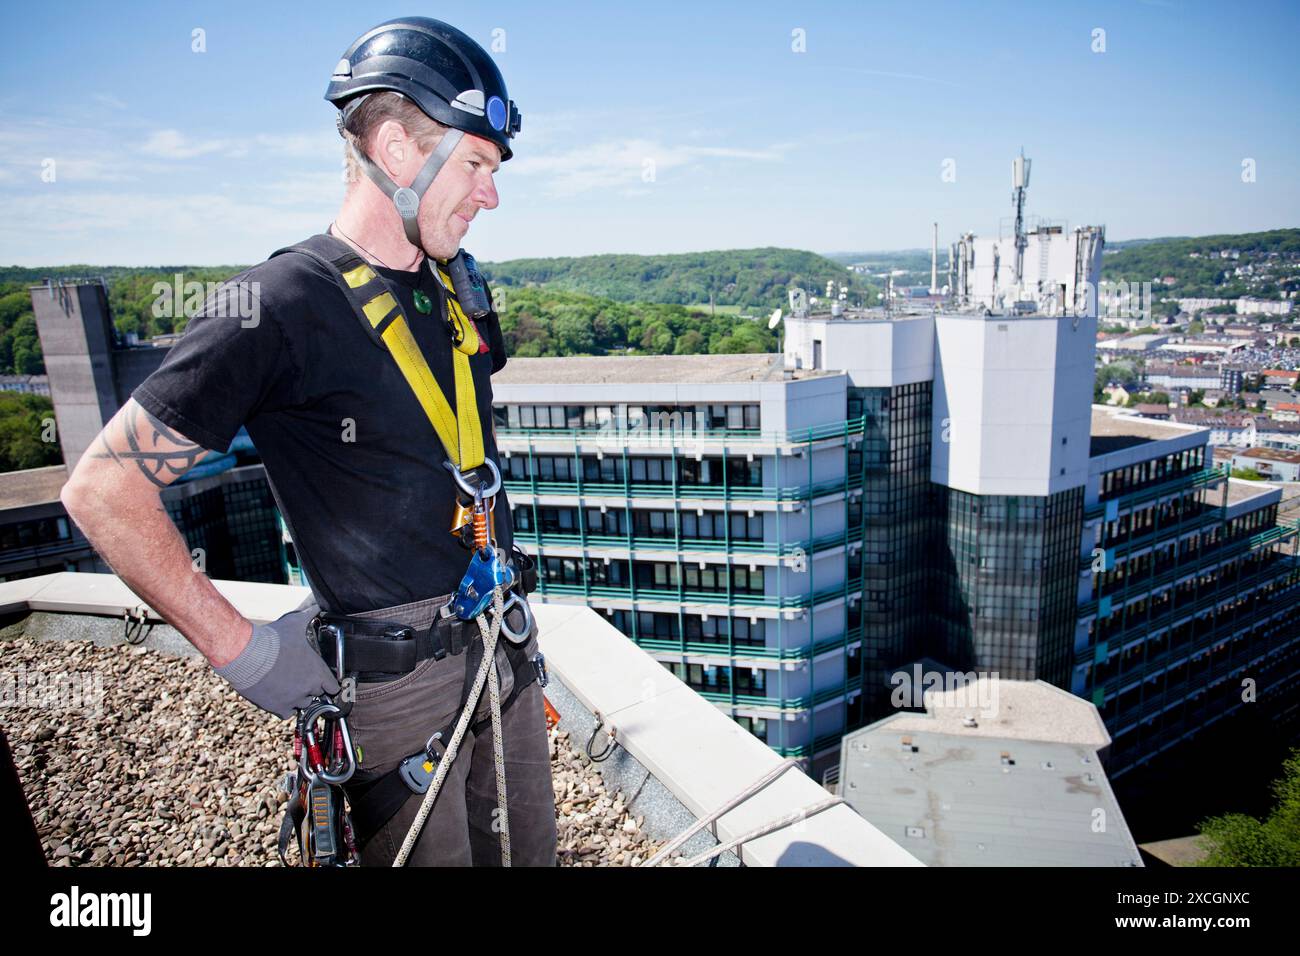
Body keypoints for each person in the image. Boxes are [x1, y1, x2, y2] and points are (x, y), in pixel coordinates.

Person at [59, 16, 557, 867]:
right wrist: (244, 652)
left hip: (499, 650)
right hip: (397, 690)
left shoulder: (453, 290)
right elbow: (102, 489)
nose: (492, 195)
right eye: (476, 164)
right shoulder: (277, 305)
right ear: (397, 149)